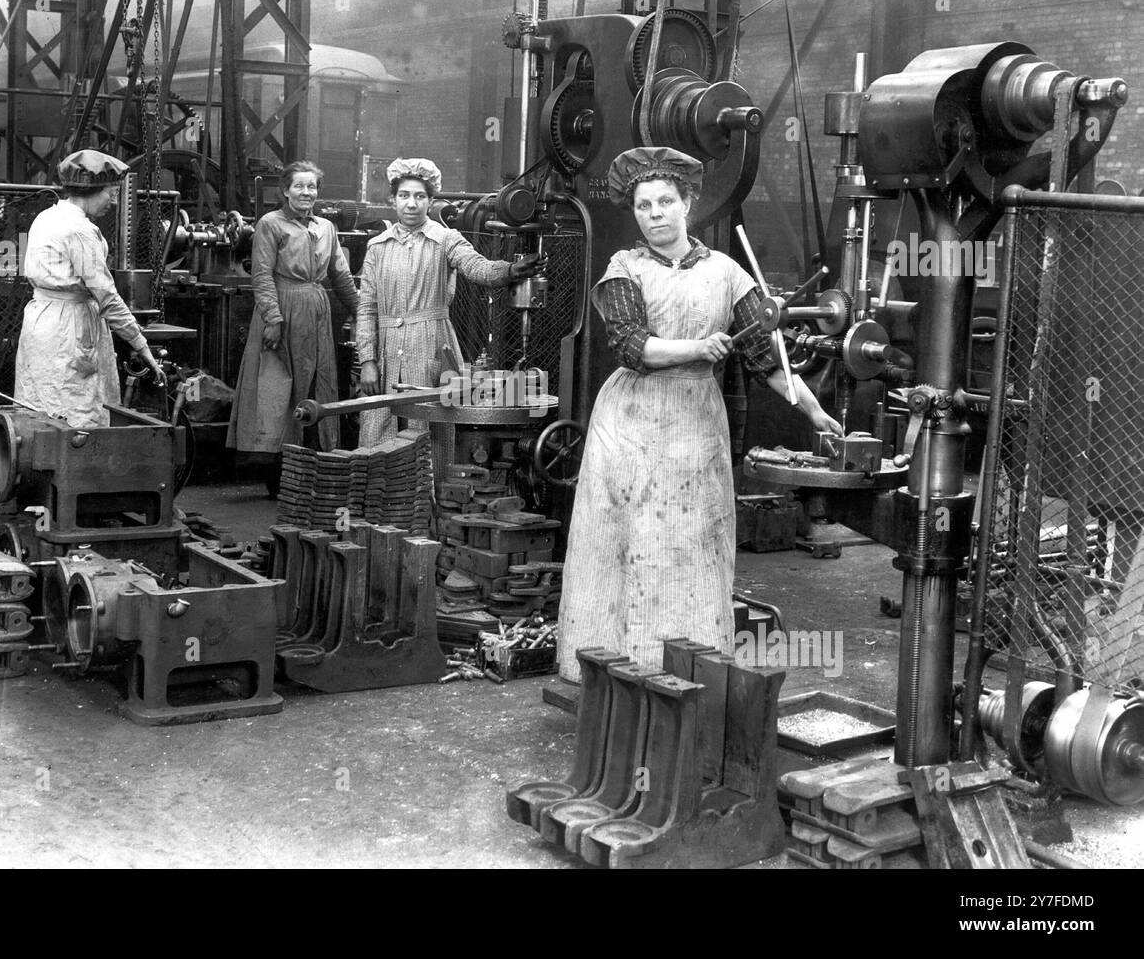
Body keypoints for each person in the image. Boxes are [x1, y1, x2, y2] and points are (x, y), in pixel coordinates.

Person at [556, 146, 843, 683]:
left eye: (666, 201)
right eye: (644, 206)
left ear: (688, 203)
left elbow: (768, 361)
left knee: (691, 543)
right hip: (631, 423)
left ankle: (688, 666)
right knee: (627, 540)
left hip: (695, 424)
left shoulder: (728, 273)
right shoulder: (624, 267)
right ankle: (616, 667)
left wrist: (814, 411)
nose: (655, 213)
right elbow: (631, 347)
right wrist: (698, 348)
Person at [354, 157, 542, 447]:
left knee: (430, 434)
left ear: (430, 201)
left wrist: (507, 270)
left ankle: (429, 493)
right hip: (386, 352)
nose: (411, 204)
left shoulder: (445, 239)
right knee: (378, 430)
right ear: (393, 200)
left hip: (432, 348)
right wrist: (367, 360)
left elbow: (476, 266)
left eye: (419, 196)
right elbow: (366, 309)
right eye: (404, 196)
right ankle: (385, 492)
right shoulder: (377, 248)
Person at [227, 160, 359, 493]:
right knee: (280, 389)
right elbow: (261, 274)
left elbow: (340, 276)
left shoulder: (326, 228)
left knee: (316, 386)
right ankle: (280, 478)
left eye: (311, 186)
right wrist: (272, 318)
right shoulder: (270, 224)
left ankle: (312, 471)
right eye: (298, 186)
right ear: (285, 190)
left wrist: (361, 311)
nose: (305, 192)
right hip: (282, 313)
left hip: (315, 314)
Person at [15, 149, 163, 429]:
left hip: (41, 321)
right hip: (68, 327)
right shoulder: (79, 230)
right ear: (92, 190)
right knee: (76, 416)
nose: (113, 200)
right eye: (110, 192)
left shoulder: (45, 218)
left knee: (41, 410)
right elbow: (107, 297)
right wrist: (141, 345)